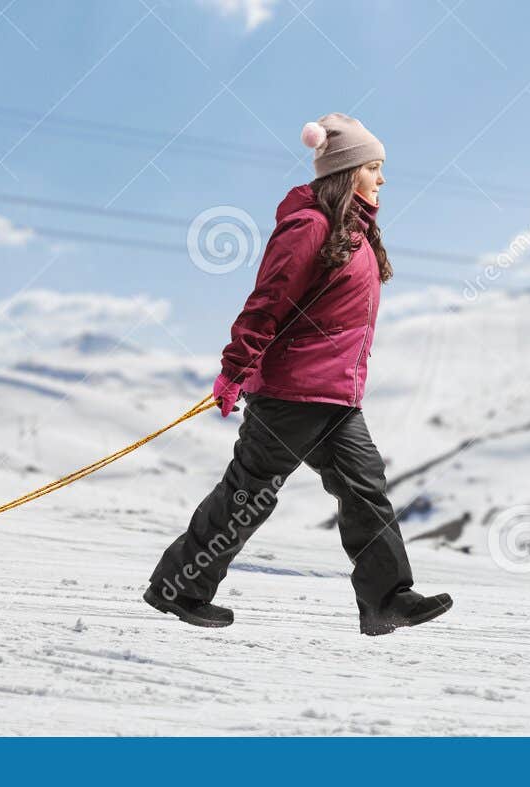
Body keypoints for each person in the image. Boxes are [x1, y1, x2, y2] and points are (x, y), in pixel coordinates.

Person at [144, 115, 453, 636]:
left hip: (335, 395)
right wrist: (235, 370)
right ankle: (179, 586)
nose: (382, 180)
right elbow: (267, 301)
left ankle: (386, 599)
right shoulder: (310, 226)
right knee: (250, 491)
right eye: (374, 169)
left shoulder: (355, 230)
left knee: (366, 488)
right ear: (347, 172)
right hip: (292, 392)